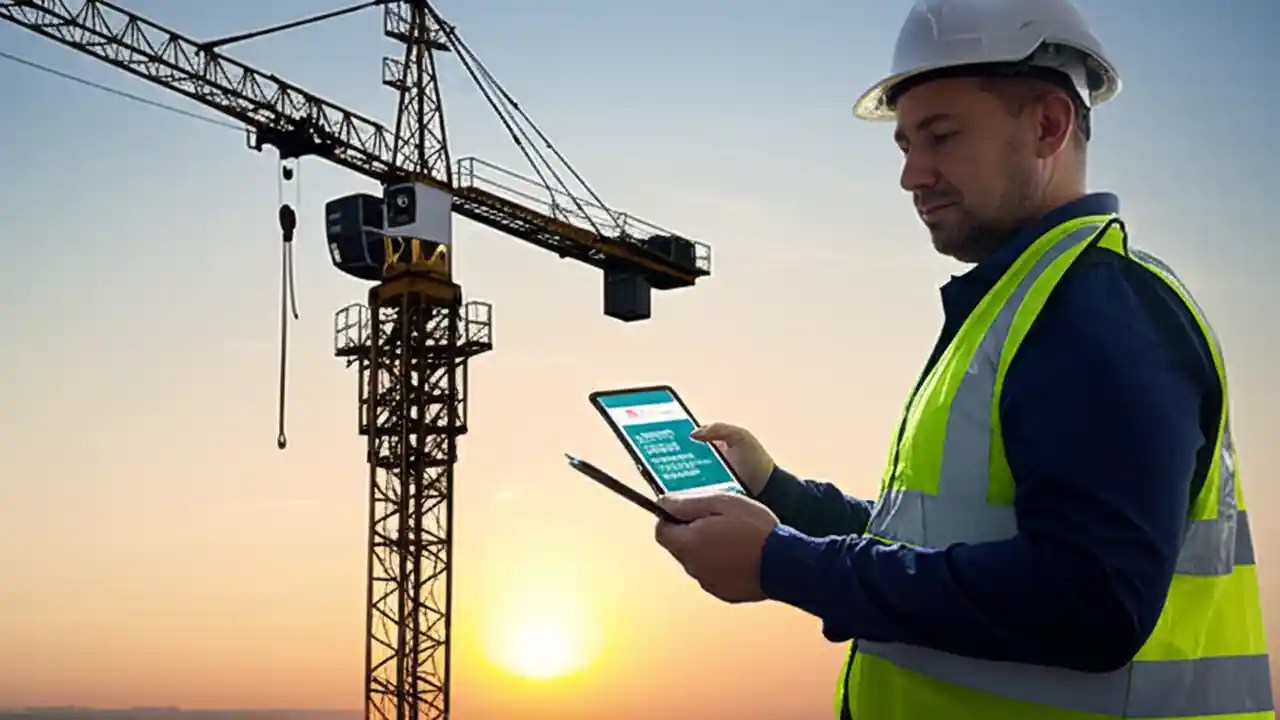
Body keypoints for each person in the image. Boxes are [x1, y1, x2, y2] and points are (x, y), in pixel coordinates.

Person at [652, 1, 1274, 718]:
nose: (913, 176)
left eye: (941, 138)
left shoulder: (1099, 311)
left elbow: (1091, 599)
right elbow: (933, 542)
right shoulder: (1025, 304)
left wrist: (780, 563)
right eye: (905, 146)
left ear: (1047, 125)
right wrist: (778, 492)